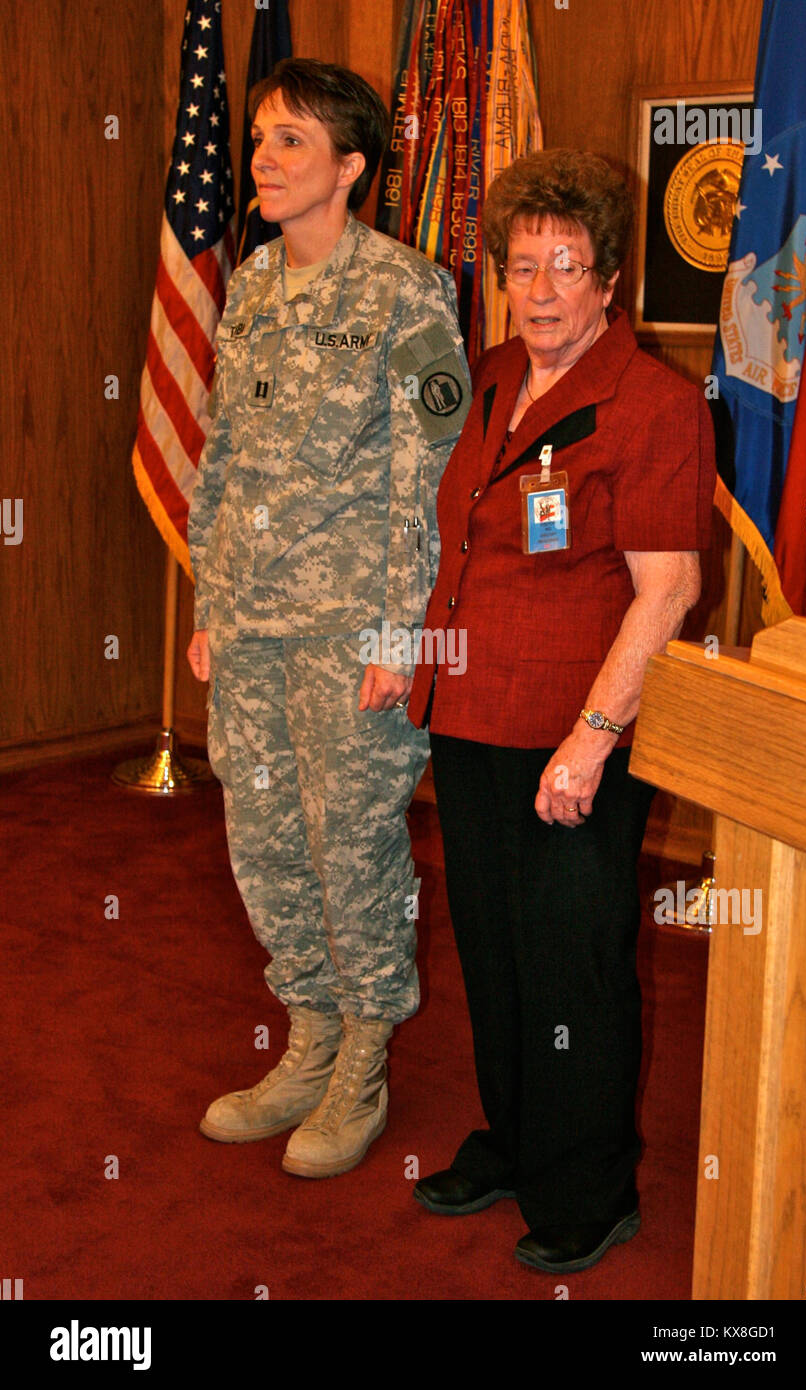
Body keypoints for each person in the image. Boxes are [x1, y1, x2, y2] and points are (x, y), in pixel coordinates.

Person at [406, 149, 716, 1271]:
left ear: (610, 281)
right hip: (473, 718)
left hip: (574, 732)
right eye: (520, 265)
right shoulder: (490, 375)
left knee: (573, 958)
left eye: (565, 266)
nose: (539, 290)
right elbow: (466, 547)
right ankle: (515, 1137)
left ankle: (589, 1186)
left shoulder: (654, 405)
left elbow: (667, 587)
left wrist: (590, 740)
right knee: (493, 949)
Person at [187, 58, 470, 1179]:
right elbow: (218, 458)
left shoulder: (408, 289)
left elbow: (427, 472)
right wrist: (211, 603)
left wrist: (403, 631)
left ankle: (365, 1056)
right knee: (261, 842)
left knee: (348, 843)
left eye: (292, 139)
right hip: (250, 622)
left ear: (350, 167)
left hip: (352, 627)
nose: (264, 156)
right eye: (260, 137)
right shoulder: (250, 283)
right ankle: (305, 1037)